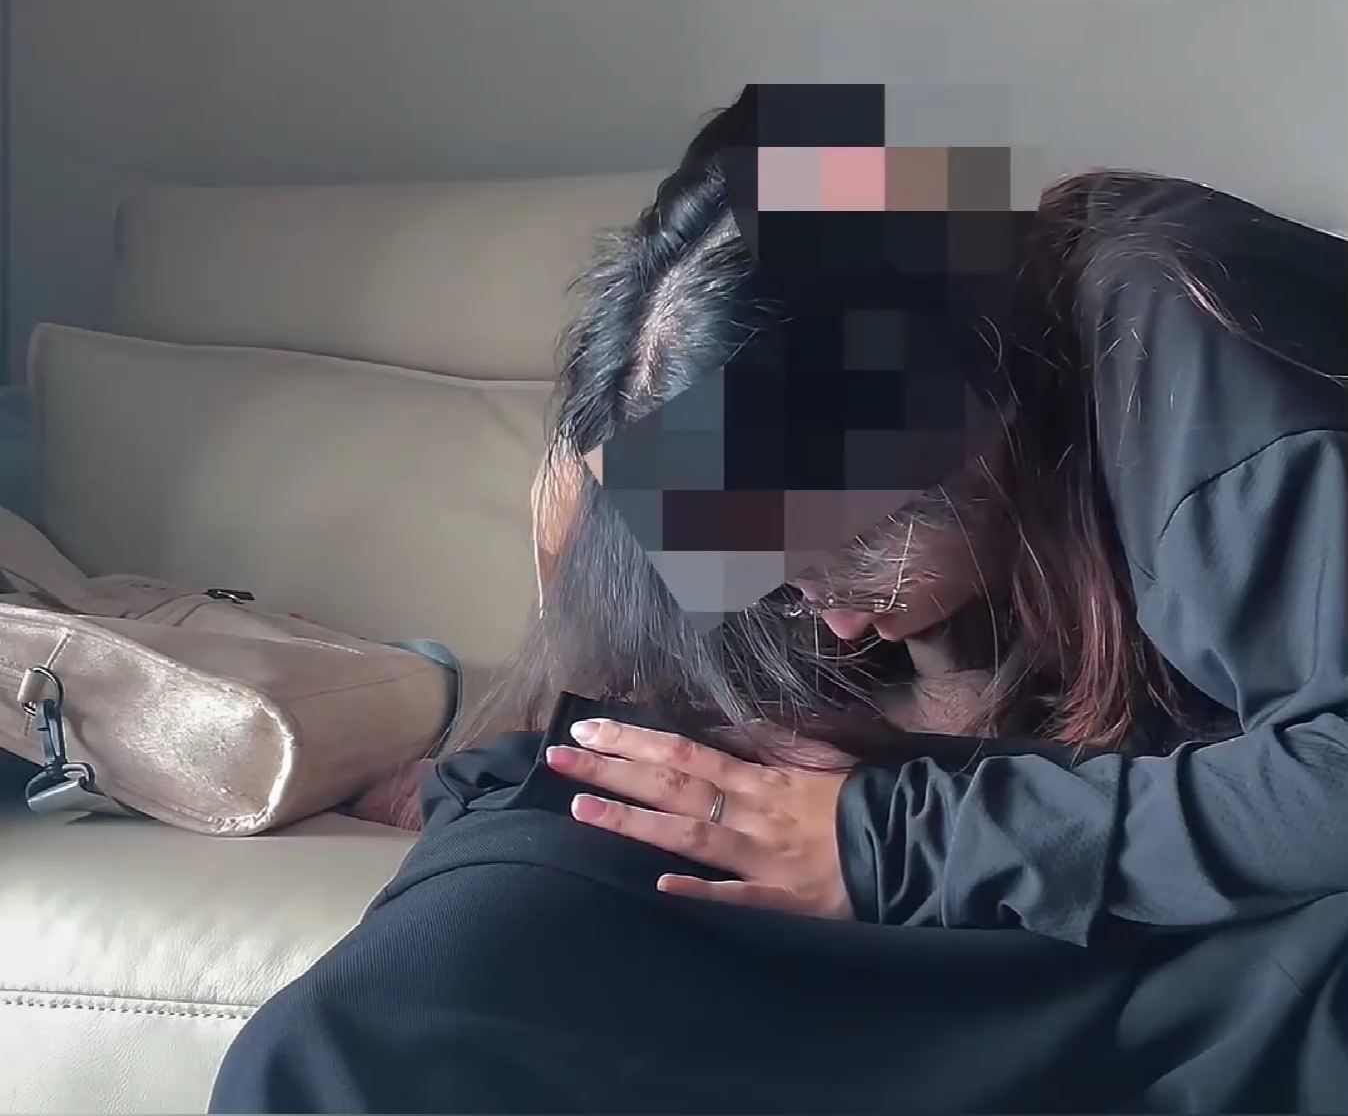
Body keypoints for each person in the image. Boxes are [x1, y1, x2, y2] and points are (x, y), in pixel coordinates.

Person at [211, 87, 1348, 1115]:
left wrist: (891, 844)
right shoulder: (780, 389)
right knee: (397, 1011)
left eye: (852, 561)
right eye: (791, 585)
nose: (838, 620)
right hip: (995, 828)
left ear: (975, 420)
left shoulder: (1196, 350)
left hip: (1212, 886)